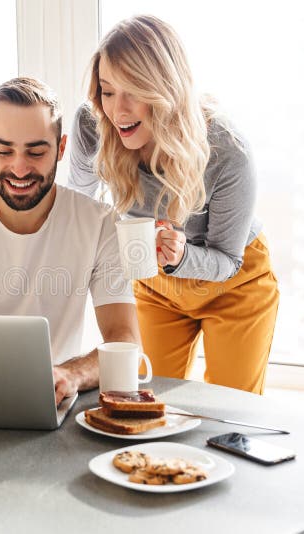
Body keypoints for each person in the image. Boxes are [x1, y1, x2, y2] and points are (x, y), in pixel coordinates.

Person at [69, 15, 279, 394]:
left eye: (133, 90)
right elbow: (77, 211)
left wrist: (181, 257)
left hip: (235, 283)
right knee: (151, 396)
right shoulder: (93, 126)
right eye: (107, 90)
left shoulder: (228, 149)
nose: (118, 110)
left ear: (164, 88)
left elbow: (226, 261)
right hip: (156, 282)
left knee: (229, 411)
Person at [0, 77, 140, 405]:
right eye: (4, 151)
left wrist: (71, 373)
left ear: (61, 149)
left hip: (54, 402)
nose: (19, 168)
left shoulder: (99, 223)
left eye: (35, 151)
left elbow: (125, 339)